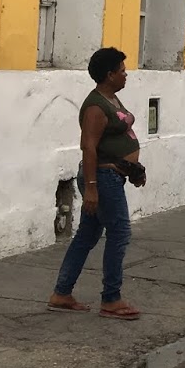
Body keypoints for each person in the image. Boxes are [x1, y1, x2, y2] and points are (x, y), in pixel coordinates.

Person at [47, 47, 145, 320]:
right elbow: (89, 148)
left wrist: (134, 168)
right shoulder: (95, 106)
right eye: (122, 71)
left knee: (87, 236)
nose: (126, 75)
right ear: (109, 74)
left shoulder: (111, 99)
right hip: (102, 178)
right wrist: (91, 188)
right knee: (120, 233)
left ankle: (62, 294)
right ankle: (111, 298)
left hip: (114, 174)